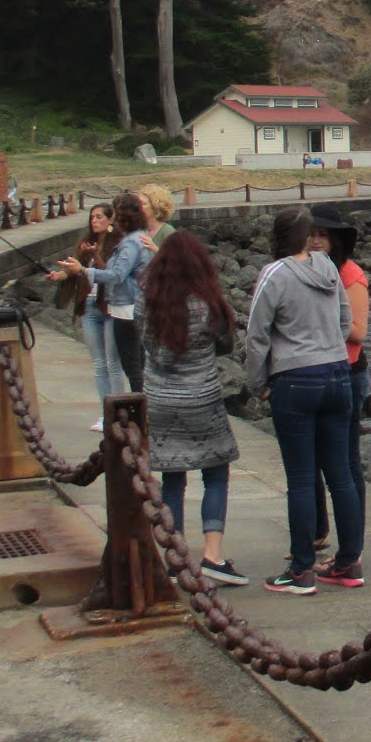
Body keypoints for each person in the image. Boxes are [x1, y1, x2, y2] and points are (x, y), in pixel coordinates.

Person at [244, 205, 362, 595]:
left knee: (300, 478)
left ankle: (301, 570)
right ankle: (349, 562)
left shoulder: (275, 274)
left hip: (296, 379)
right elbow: (346, 320)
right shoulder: (327, 267)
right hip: (337, 375)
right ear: (308, 235)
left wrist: (257, 382)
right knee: (341, 474)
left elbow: (257, 334)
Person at [139, 230, 246, 587]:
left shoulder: (148, 301)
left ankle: (177, 554)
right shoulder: (208, 302)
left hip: (159, 399)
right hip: (201, 398)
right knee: (215, 473)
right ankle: (213, 555)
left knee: (172, 476)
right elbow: (227, 345)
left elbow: (149, 347)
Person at [306, 206, 370, 553]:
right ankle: (317, 530)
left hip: (347, 374)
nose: (316, 241)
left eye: (323, 235)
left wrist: (318, 318)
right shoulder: (302, 271)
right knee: (309, 461)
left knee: (345, 462)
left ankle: (353, 536)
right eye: (312, 233)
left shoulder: (351, 275)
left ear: (336, 240)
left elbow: (359, 333)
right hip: (313, 372)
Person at [56, 191, 155, 391]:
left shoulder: (130, 243)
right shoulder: (135, 240)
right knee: (129, 365)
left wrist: (83, 270)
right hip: (122, 307)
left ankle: (138, 414)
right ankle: (121, 413)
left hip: (126, 309)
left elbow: (117, 275)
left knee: (131, 367)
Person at [48, 203, 124, 432]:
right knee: (99, 363)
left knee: (113, 363)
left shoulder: (118, 244)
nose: (94, 221)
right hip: (89, 306)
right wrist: (59, 274)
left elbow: (110, 274)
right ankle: (105, 414)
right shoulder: (85, 243)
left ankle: (120, 414)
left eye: (99, 217)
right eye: (92, 217)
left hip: (109, 306)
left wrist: (93, 257)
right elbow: (75, 269)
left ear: (111, 220)